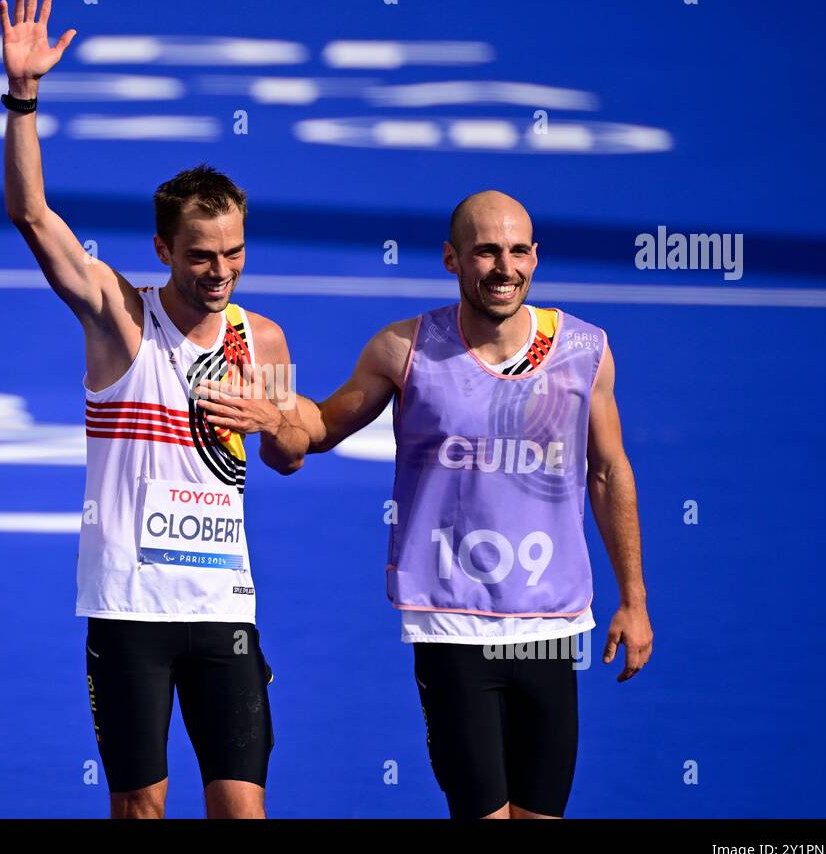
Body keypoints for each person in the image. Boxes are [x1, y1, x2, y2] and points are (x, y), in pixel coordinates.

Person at [0, 0, 308, 818]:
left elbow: (286, 455)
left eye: (235, 253)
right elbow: (33, 217)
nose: (222, 272)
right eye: (203, 256)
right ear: (165, 247)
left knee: (242, 808)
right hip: (128, 611)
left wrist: (270, 416)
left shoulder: (263, 340)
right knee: (142, 807)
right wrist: (23, 97)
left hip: (223, 609)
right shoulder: (119, 321)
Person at [258, 190, 654, 818]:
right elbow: (322, 427)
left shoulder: (586, 351)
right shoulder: (403, 349)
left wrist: (633, 600)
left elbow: (607, 473)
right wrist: (273, 395)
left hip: (550, 625)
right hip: (452, 623)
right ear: (451, 258)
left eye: (519, 251)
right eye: (486, 252)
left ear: (536, 256)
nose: (505, 268)